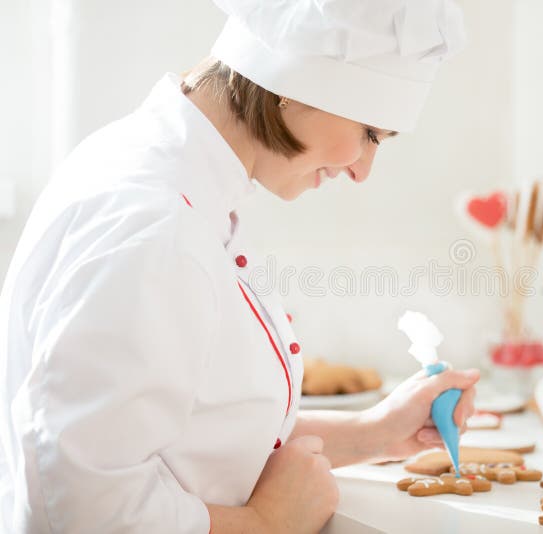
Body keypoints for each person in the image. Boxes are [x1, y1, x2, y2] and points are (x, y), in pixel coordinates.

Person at [0, 1, 478, 532]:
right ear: (294, 85)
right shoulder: (153, 228)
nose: (362, 170)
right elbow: (85, 507)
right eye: (369, 132)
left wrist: (378, 431)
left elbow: (196, 440)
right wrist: (269, 522)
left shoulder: (174, 184)